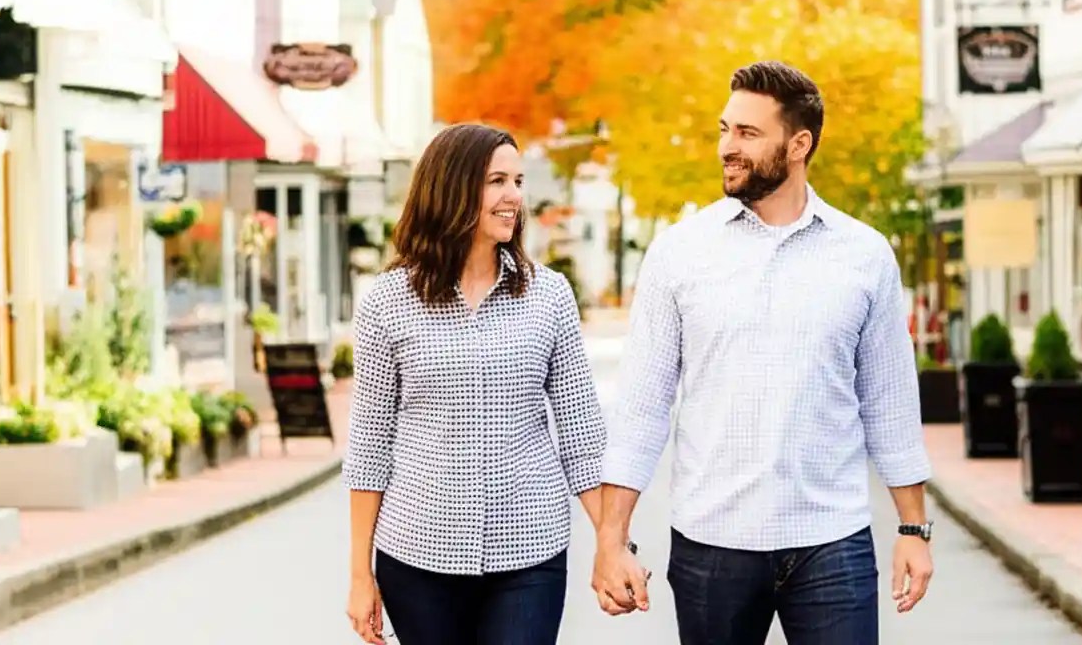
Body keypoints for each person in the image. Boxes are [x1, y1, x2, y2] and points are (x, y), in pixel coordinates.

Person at [591, 61, 935, 644]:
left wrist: (914, 528)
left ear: (799, 144)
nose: (728, 147)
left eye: (748, 134)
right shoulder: (680, 254)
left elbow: (890, 404)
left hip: (832, 542)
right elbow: (642, 410)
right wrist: (611, 539)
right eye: (725, 130)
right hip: (711, 547)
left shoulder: (865, 255)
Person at [343, 123, 607, 645]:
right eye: (496, 181)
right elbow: (369, 447)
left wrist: (612, 541)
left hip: (530, 550)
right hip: (418, 554)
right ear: (452, 188)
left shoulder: (549, 296)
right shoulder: (388, 302)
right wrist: (359, 574)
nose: (514, 196)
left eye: (518, 181)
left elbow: (582, 435)